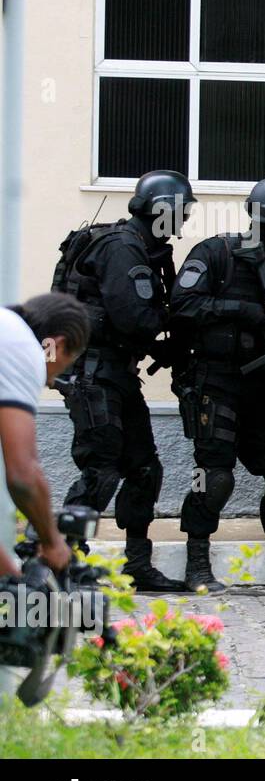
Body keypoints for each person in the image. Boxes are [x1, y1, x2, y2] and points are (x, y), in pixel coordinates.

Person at [170, 178, 265, 596]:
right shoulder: (216, 254)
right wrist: (247, 312)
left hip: (259, 382)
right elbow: (182, 307)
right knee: (213, 475)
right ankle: (197, 561)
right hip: (213, 380)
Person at [51, 170, 195, 592]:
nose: (184, 221)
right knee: (101, 469)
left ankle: (137, 563)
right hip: (93, 374)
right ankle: (64, 562)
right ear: (161, 212)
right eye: (181, 212)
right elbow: (135, 318)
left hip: (115, 373)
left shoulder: (144, 248)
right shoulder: (123, 249)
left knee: (144, 468)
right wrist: (174, 330)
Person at [0, 294, 88, 695]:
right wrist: (52, 543)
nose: (51, 380)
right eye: (63, 366)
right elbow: (23, 474)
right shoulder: (20, 344)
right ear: (57, 343)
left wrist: (11, 573)